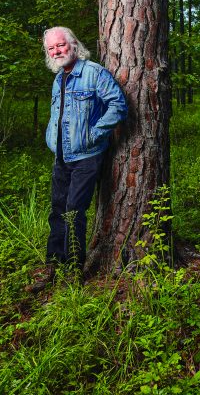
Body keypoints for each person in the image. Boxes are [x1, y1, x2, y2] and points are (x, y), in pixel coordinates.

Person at [30, 26, 127, 292]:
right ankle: (53, 265)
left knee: (74, 211)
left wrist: (94, 134)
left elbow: (118, 105)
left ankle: (74, 269)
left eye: (59, 45)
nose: (56, 51)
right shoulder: (58, 78)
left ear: (73, 44)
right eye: (51, 48)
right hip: (61, 155)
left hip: (86, 156)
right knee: (57, 210)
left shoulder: (93, 73)